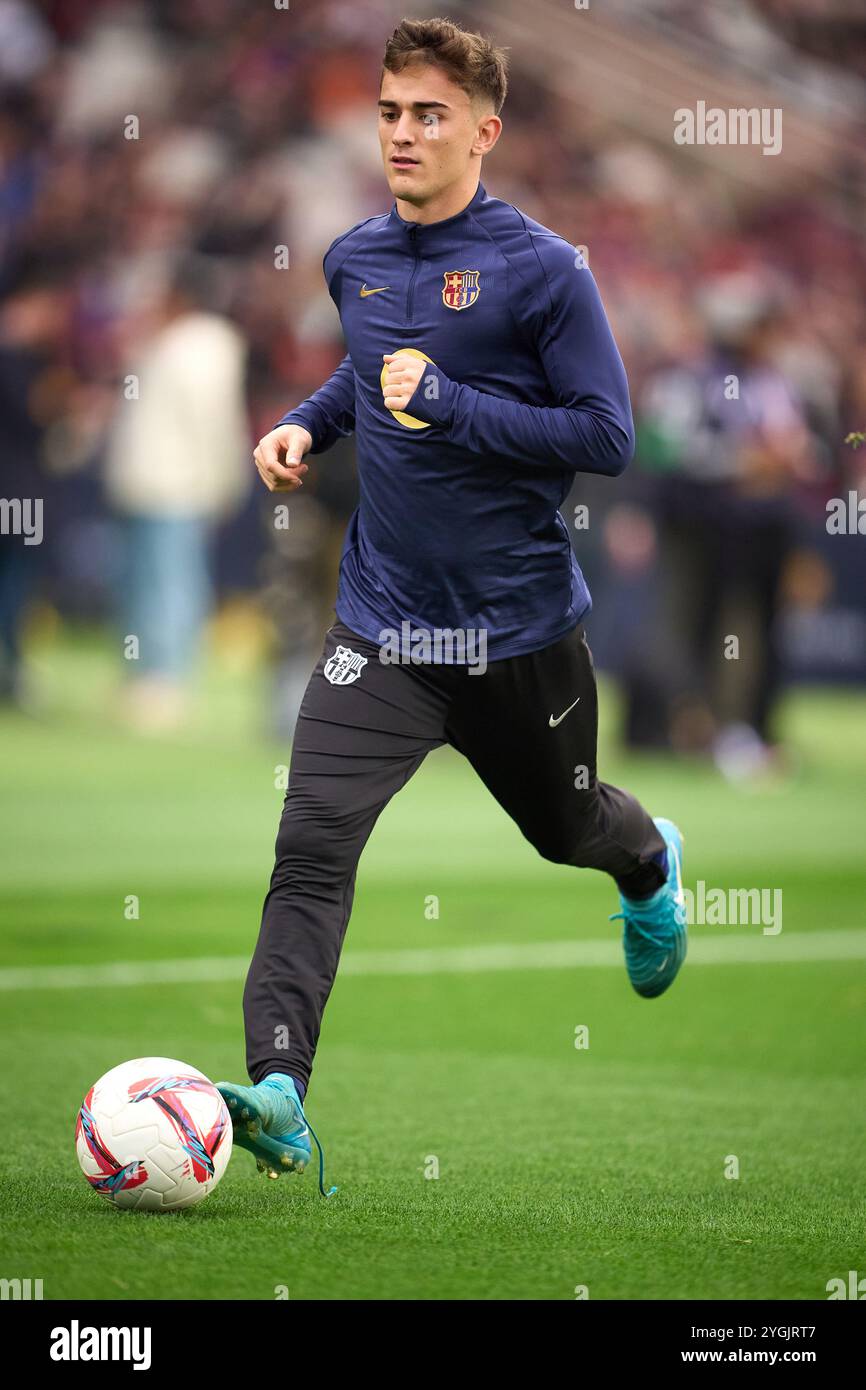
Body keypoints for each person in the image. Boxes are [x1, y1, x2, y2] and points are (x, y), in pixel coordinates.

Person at [217, 17, 685, 1188]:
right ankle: (277, 1088)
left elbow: (604, 436)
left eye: (428, 114)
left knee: (566, 830)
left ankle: (645, 862)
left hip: (517, 633)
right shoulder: (353, 256)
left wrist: (451, 401)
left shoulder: (546, 269)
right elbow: (363, 366)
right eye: (388, 112)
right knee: (309, 848)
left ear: (483, 129)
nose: (402, 134)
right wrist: (304, 424)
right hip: (380, 626)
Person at [104, 256, 249, 731]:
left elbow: (213, 422)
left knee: (170, 586)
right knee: (144, 585)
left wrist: (226, 479)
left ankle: (166, 684)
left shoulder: (207, 343)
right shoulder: (168, 339)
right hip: (148, 483)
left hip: (179, 485)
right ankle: (144, 678)